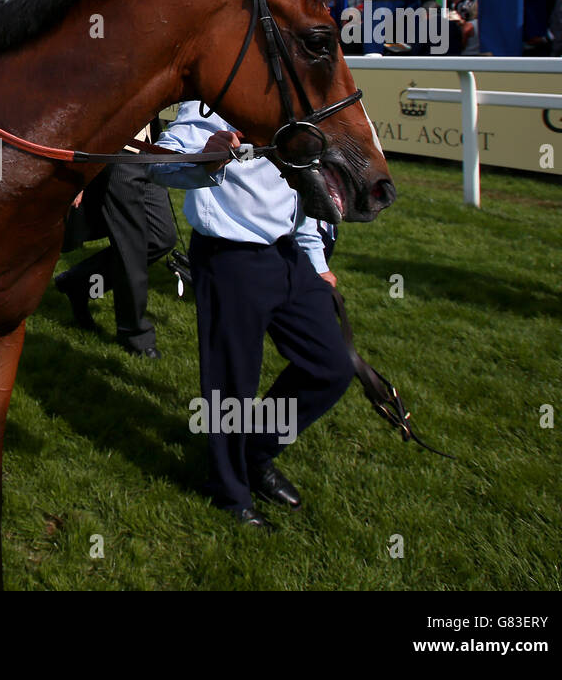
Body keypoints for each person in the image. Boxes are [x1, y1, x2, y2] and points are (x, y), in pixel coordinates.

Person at [148, 101, 356, 530]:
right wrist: (206, 157)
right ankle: (228, 491)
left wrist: (316, 260)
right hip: (229, 256)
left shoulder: (291, 105)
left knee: (331, 367)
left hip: (288, 253)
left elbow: (300, 188)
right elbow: (158, 164)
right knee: (232, 386)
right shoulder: (211, 106)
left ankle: (256, 453)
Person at [55, 123, 178, 358]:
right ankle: (134, 334)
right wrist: (79, 174)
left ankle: (79, 283)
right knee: (131, 247)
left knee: (161, 237)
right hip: (118, 155)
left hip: (150, 150)